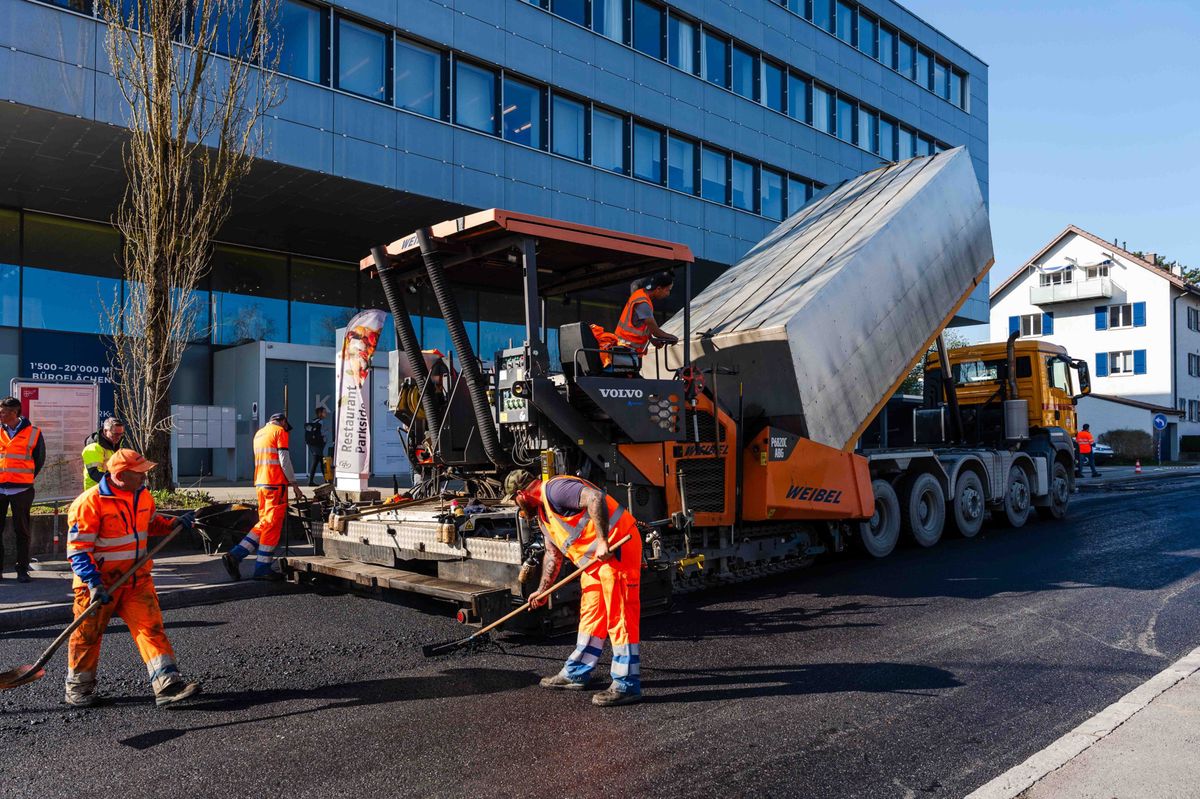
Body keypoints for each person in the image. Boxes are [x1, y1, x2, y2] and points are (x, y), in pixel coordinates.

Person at [64, 449, 200, 707]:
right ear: (120, 475)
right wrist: (93, 582)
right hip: (99, 584)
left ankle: (167, 684)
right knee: (87, 636)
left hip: (136, 580)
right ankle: (78, 690)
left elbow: (150, 523)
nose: (144, 477)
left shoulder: (142, 496)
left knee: (151, 629)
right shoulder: (89, 503)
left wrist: (172, 524)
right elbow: (78, 550)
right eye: (139, 473)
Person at [505, 469, 644, 707]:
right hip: (594, 563)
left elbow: (595, 498)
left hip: (616, 548)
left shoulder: (555, 490)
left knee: (619, 616)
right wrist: (542, 590)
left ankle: (626, 684)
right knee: (591, 616)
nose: (517, 507)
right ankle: (577, 672)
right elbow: (553, 555)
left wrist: (603, 541)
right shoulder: (543, 515)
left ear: (521, 494)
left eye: (515, 501)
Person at [223, 412, 304, 581]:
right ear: (283, 422)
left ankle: (236, 555)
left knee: (265, 523)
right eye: (286, 426)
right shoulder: (279, 432)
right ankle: (262, 567)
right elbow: (284, 461)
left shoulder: (259, 434)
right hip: (275, 484)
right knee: (272, 526)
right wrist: (294, 484)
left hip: (261, 484)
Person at [0, 396, 45, 583]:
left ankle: (22, 570)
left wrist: (25, 478)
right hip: (0, 489)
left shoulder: (33, 432)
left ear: (14, 412)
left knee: (22, 531)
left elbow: (39, 459)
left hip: (22, 490)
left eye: (3, 412)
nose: (0, 415)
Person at [615, 271, 680, 356]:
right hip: (626, 350)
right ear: (658, 289)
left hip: (627, 350)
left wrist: (651, 339)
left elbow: (641, 325)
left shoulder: (640, 294)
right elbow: (656, 332)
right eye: (667, 290)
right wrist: (672, 338)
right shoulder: (643, 303)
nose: (668, 294)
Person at [81, 416, 126, 490]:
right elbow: (95, 473)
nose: (119, 437)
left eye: (121, 434)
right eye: (115, 434)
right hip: (96, 490)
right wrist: (117, 483)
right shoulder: (93, 447)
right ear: (105, 431)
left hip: (108, 488)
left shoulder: (114, 445)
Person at [304, 406, 328, 486]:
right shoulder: (321, 422)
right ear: (320, 413)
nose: (326, 413)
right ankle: (323, 480)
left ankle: (325, 480)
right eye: (324, 412)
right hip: (318, 445)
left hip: (313, 445)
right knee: (318, 462)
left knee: (320, 461)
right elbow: (322, 433)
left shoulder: (314, 421)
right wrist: (326, 434)